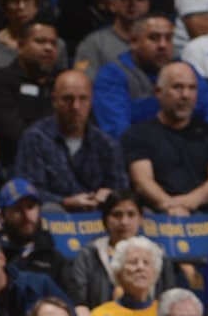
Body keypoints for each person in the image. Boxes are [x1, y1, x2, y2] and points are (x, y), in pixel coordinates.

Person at [121, 63, 208, 216]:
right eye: (177, 87)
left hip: (206, 219)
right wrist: (168, 206)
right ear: (159, 92)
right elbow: (142, 181)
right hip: (155, 218)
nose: (185, 95)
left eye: (192, 88)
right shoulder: (137, 134)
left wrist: (189, 202)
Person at [94, 15, 208, 140]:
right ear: (134, 41)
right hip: (139, 159)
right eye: (154, 38)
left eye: (168, 38)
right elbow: (119, 133)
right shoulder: (112, 76)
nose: (162, 45)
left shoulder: (185, 71)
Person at [12, 71, 126, 213]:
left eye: (83, 99)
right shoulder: (35, 138)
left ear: (91, 101)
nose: (75, 106)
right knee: (50, 209)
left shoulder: (107, 144)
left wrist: (110, 195)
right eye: (68, 99)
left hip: (99, 219)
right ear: (54, 100)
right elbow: (28, 191)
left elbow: (122, 190)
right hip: (55, 220)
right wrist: (65, 202)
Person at [0, 20, 60, 166]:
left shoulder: (63, 82)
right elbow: (14, 137)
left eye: (53, 43)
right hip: (17, 166)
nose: (48, 48)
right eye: (40, 41)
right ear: (20, 46)